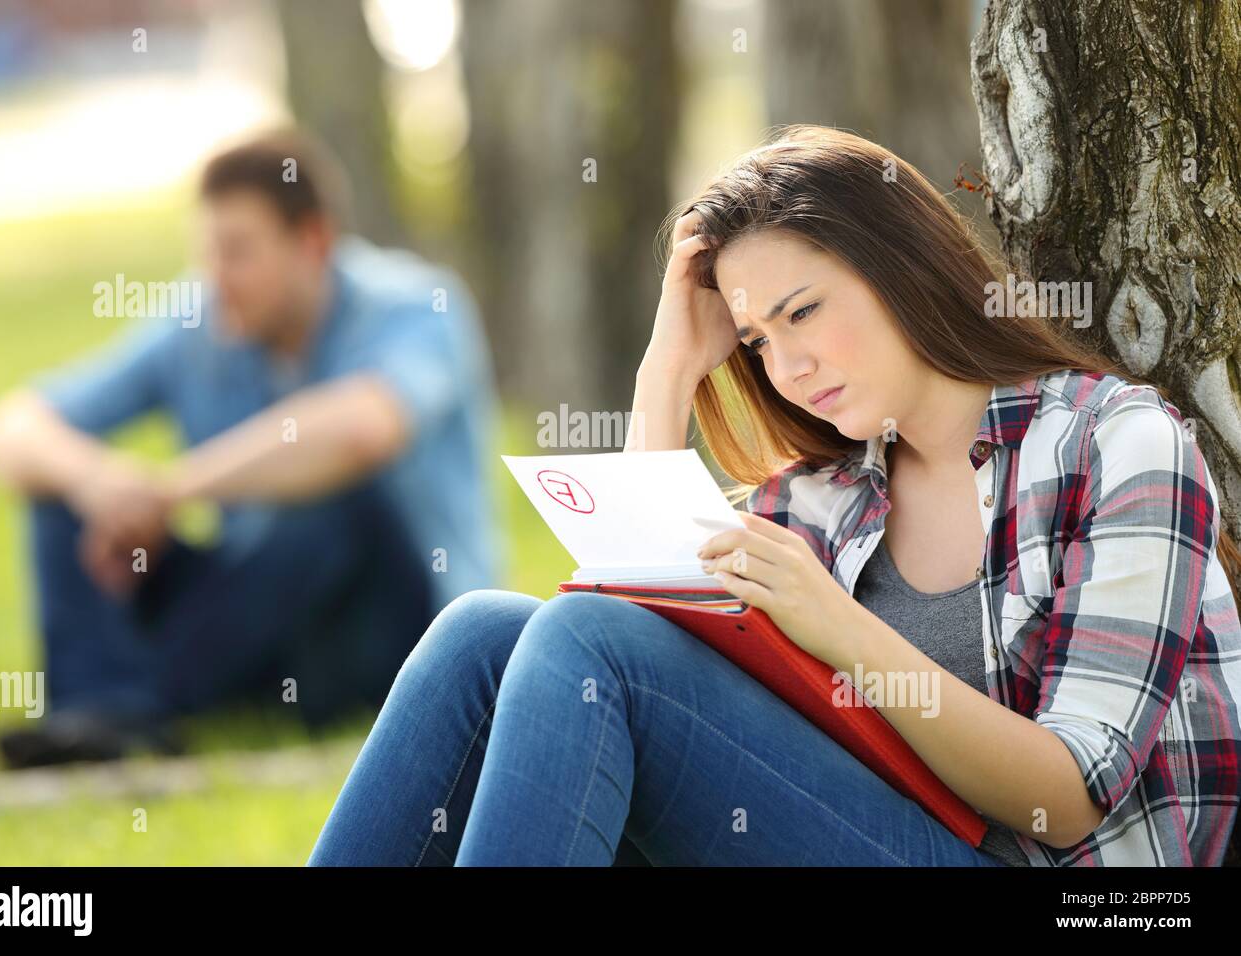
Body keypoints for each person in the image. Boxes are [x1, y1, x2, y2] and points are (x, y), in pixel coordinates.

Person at [308, 125, 1241, 867]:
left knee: (587, 644)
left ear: (901, 265)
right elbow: (634, 614)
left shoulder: (1117, 444)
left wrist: (839, 626)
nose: (786, 366)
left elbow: (1071, 796)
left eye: (803, 311)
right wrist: (667, 369)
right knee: (483, 636)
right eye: (755, 340)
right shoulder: (826, 500)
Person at [0, 129, 500, 767]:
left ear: (312, 241)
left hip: (401, 629)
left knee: (341, 503)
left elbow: (361, 430)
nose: (216, 278)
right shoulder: (203, 323)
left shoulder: (417, 306)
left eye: (238, 253)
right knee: (63, 487)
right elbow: (10, 427)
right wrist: (99, 481)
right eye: (209, 254)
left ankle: (142, 696)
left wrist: (170, 490)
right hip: (259, 613)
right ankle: (99, 712)